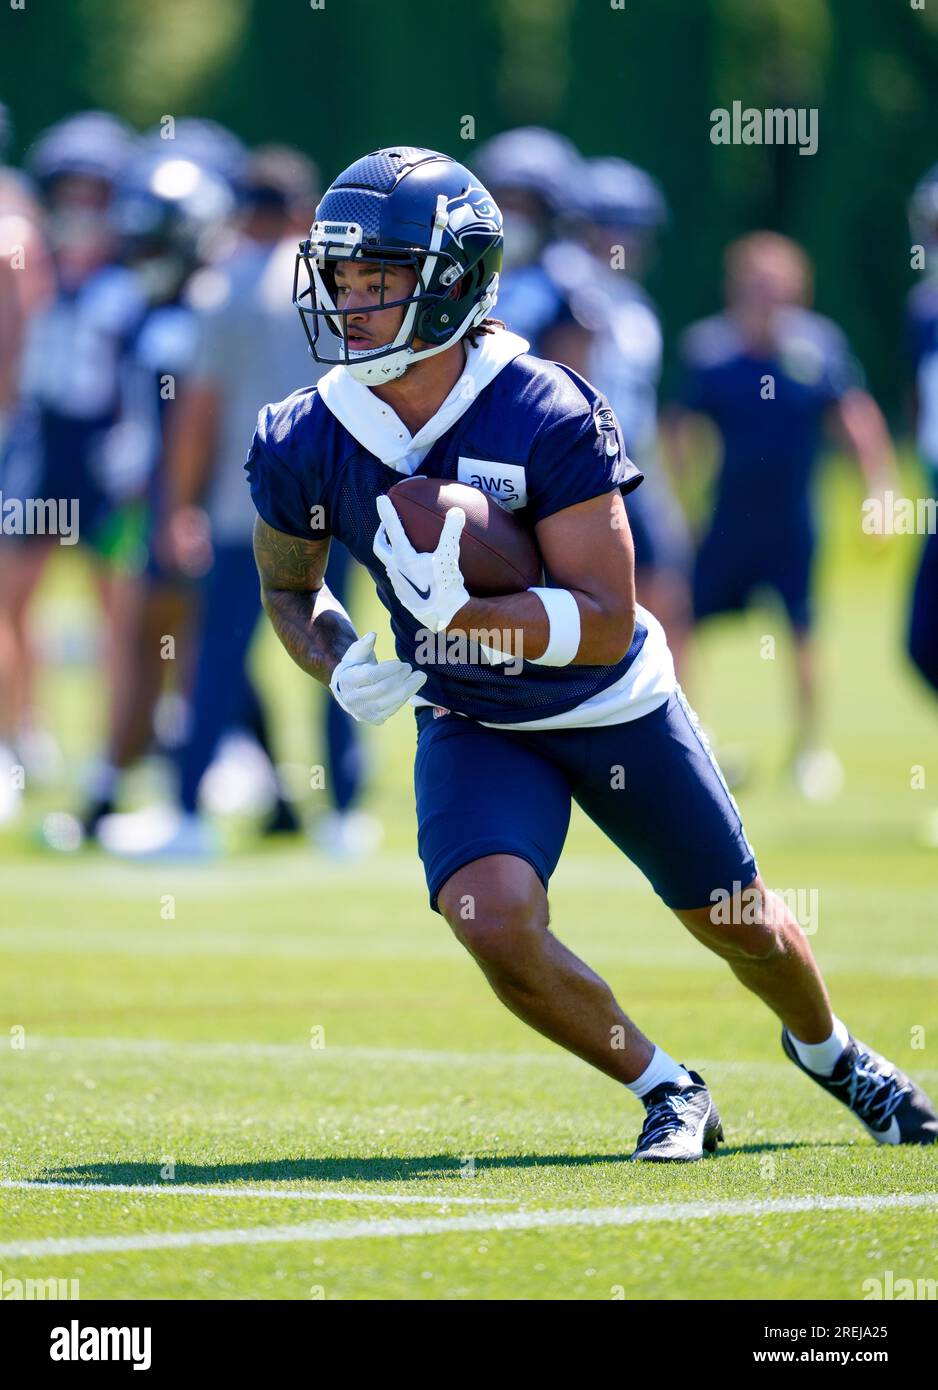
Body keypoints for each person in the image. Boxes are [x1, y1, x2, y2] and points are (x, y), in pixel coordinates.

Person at [247, 146, 937, 1159]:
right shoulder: (304, 433)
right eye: (340, 276)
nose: (348, 300)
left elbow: (605, 618)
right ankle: (668, 1087)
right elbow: (286, 587)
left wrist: (467, 619)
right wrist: (337, 653)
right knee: (488, 915)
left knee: (738, 921)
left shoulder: (542, 409)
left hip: (612, 701)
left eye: (375, 278)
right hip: (475, 716)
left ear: (448, 286)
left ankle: (832, 1051)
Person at [100, 146, 370, 859]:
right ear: (305, 212)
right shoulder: (337, 289)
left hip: (242, 507)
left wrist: (175, 509)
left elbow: (197, 415)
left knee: (217, 659)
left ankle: (188, 813)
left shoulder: (220, 291)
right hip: (336, 503)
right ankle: (342, 814)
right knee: (340, 652)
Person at [669, 233, 897, 799]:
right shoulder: (710, 351)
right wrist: (682, 505)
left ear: (798, 290)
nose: (764, 298)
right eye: (753, 285)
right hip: (728, 518)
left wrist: (881, 490)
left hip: (793, 520)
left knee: (801, 632)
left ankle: (810, 750)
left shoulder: (817, 350)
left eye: (775, 287)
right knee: (684, 625)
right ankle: (690, 740)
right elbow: (680, 432)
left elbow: (854, 420)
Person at [0, 112, 143, 818]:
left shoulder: (134, 271)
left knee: (119, 612)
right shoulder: (30, 256)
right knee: (9, 599)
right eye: (72, 188)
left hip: (107, 462)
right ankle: (20, 740)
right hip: (41, 451)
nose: (82, 203)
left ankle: (107, 760)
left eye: (97, 190)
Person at [540, 156, 693, 672]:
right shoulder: (567, 288)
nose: (633, 242)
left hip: (634, 462)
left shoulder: (632, 300)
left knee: (663, 595)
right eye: (623, 228)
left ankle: (671, 706)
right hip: (586, 465)